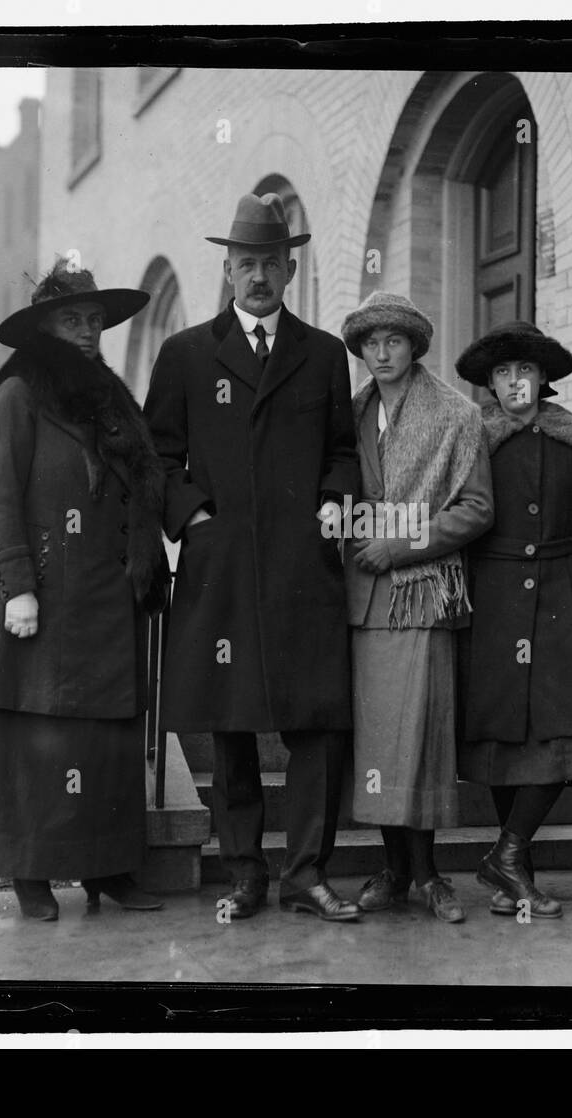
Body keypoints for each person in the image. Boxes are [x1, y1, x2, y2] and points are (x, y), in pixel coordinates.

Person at [143, 193, 362, 921]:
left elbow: (342, 450)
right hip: (221, 567)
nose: (258, 276)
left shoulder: (325, 355)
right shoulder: (183, 356)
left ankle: (307, 873)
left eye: (270, 263)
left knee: (315, 726)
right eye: (245, 264)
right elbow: (156, 460)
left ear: (290, 267)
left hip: (305, 569)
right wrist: (192, 519)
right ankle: (244, 872)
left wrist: (334, 501)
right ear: (228, 270)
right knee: (229, 727)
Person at [0, 258, 170, 921]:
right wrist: (17, 587)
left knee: (105, 740)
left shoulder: (111, 402)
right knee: (32, 737)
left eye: (96, 321)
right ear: (44, 328)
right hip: (40, 593)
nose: (90, 332)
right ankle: (29, 872)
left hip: (107, 597)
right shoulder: (19, 396)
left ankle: (108, 868)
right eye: (74, 320)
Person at [339, 292, 494, 923]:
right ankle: (394, 870)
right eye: (371, 343)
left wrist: (399, 546)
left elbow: (477, 509)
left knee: (421, 737)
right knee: (377, 741)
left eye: (393, 341)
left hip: (422, 592)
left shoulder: (456, 414)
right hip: (361, 600)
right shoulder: (349, 415)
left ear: (414, 347)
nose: (381, 353)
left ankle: (429, 874)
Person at [455, 322, 572, 919]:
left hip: (560, 599)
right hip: (492, 602)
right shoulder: (475, 442)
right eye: (501, 373)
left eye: (524, 370)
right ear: (490, 385)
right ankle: (511, 871)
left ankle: (509, 854)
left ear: (543, 378)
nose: (513, 382)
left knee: (567, 736)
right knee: (502, 737)